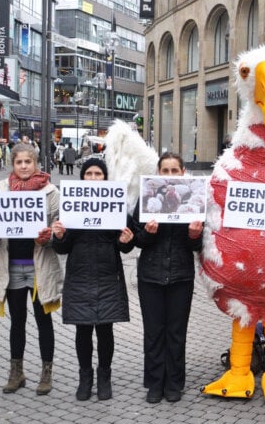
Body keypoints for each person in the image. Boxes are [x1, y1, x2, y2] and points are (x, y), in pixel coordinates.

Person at [0, 142, 62, 396]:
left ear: (36, 163)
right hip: (12, 264)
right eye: (19, 162)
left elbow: (58, 228)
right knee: (18, 321)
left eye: (28, 162)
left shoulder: (51, 192)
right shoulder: (1, 189)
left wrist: (48, 237)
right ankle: (17, 371)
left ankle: (46, 372)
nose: (24, 166)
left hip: (39, 266)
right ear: (12, 164)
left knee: (43, 320)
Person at [52, 157, 135, 401]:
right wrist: (59, 236)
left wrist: (125, 240)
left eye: (98, 174)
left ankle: (104, 377)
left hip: (108, 273)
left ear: (105, 178)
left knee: (105, 329)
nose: (93, 178)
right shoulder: (71, 204)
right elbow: (62, 248)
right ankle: (85, 377)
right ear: (82, 177)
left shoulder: (116, 203)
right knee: (83, 329)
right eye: (89, 174)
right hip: (79, 274)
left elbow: (125, 246)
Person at [130, 152, 203, 403]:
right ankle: (154, 382)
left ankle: (174, 382)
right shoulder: (146, 196)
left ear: (183, 172)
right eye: (165, 171)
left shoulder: (194, 198)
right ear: (158, 173)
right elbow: (137, 240)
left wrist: (194, 235)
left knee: (176, 332)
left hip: (181, 275)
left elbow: (199, 246)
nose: (170, 175)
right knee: (153, 331)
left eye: (175, 170)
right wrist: (149, 233)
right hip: (150, 274)